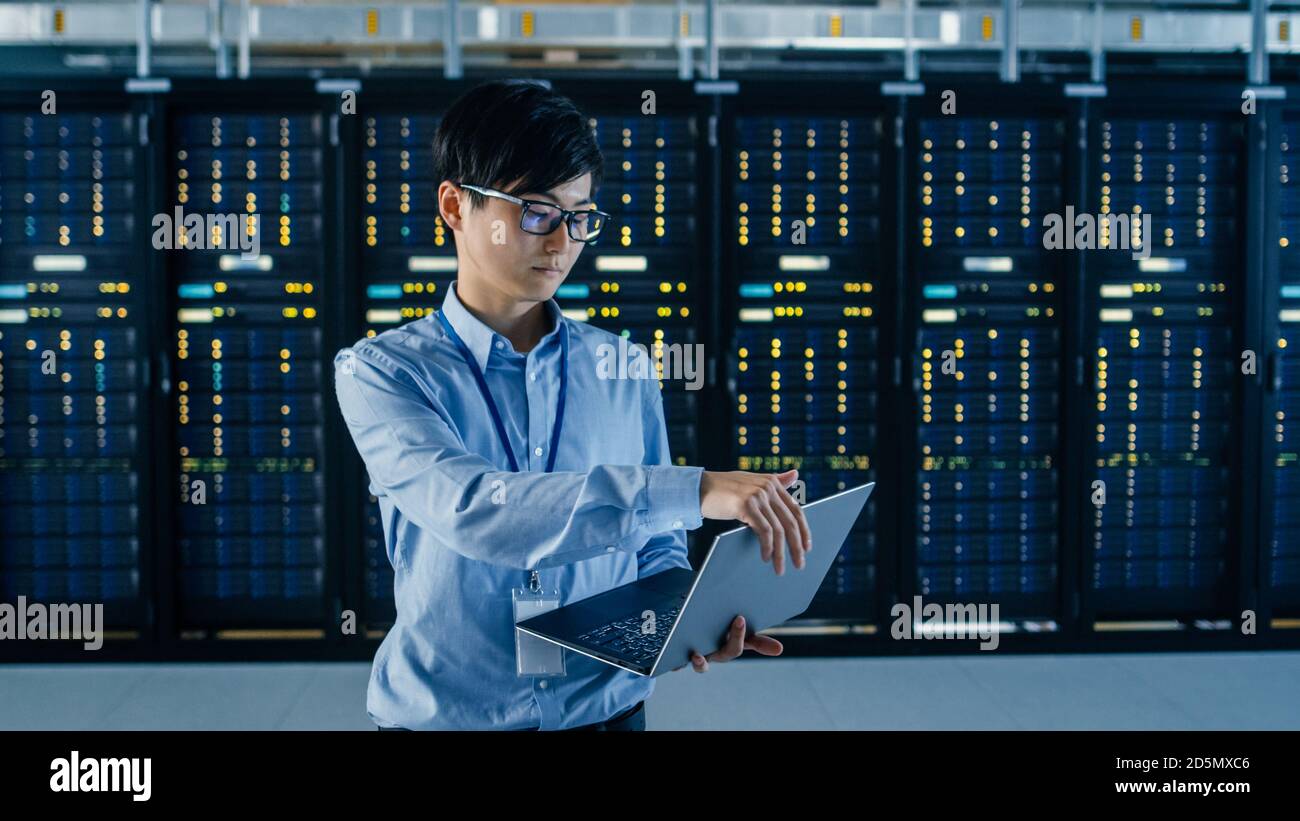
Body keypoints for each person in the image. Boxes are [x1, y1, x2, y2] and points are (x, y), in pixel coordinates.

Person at [334, 79, 811, 731]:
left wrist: (684, 623)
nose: (562, 242)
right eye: (536, 210)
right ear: (454, 205)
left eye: (580, 215)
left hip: (607, 715)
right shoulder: (383, 373)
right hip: (449, 721)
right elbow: (476, 509)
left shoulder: (623, 366)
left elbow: (658, 551)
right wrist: (694, 487)